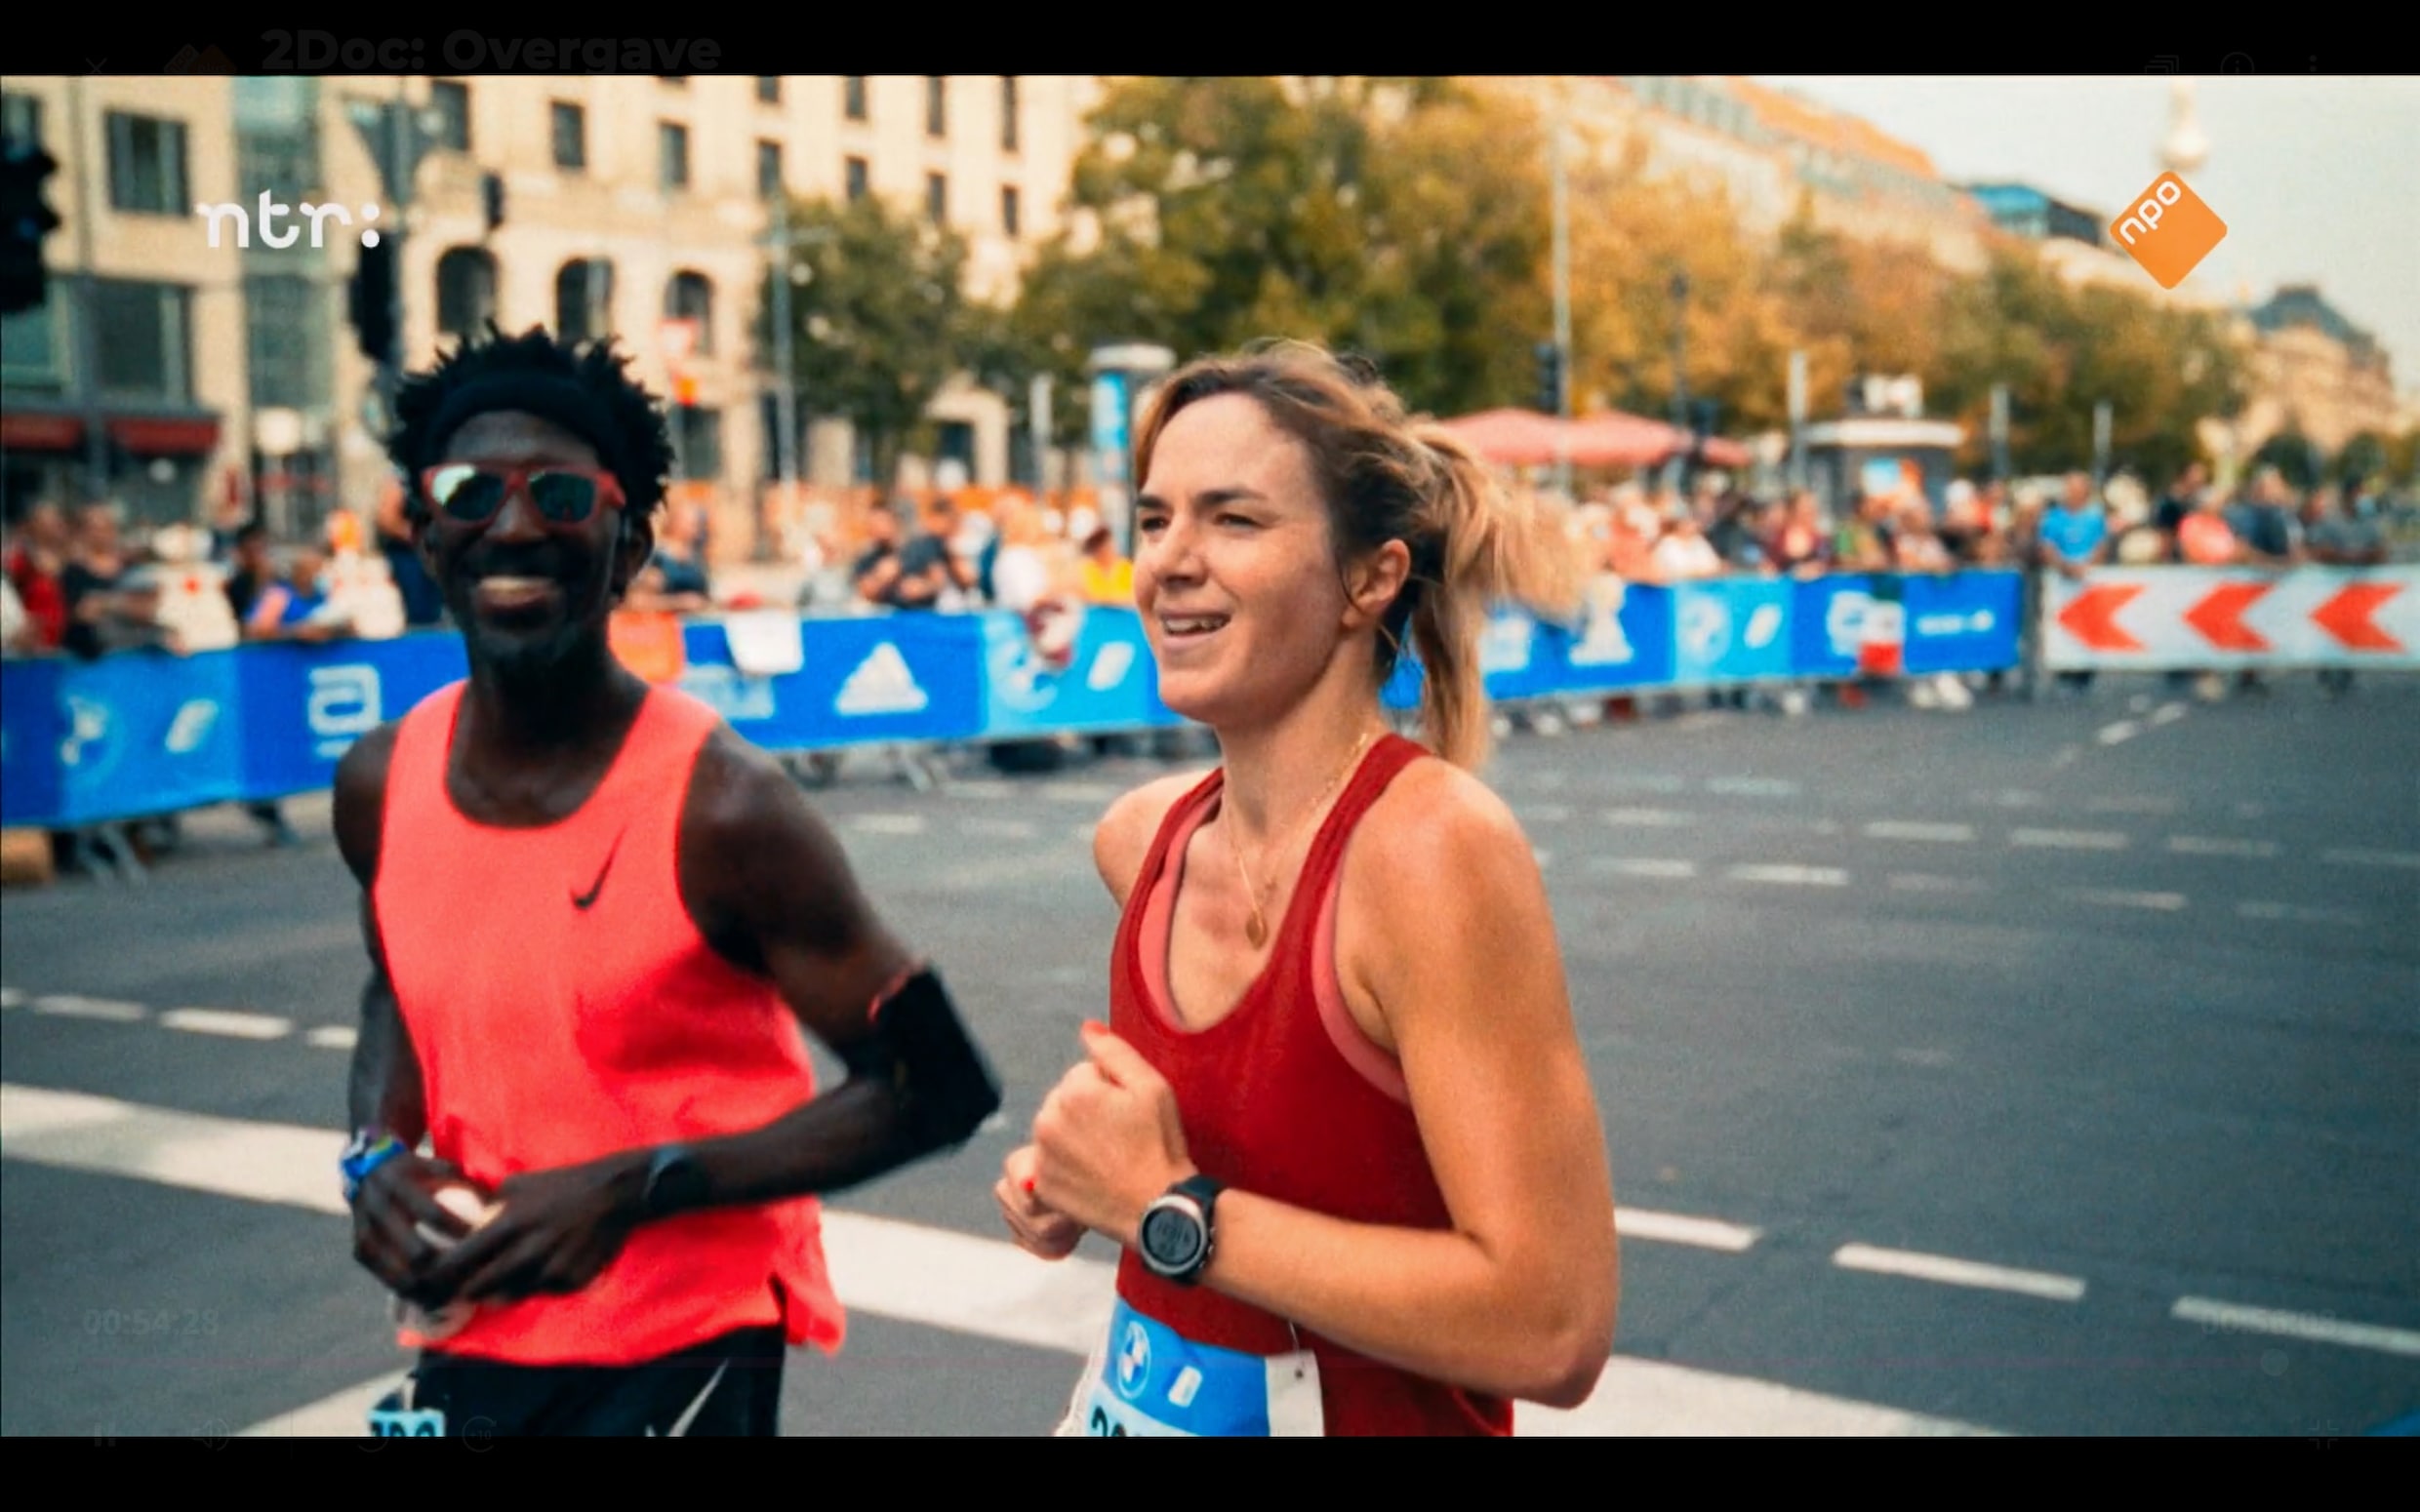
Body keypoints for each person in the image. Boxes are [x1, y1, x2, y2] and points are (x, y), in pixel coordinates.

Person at [336, 323, 1003, 1439]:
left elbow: (936, 1084)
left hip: (681, 1346)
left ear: (628, 543)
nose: (511, 524)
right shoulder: (380, 782)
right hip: (471, 1329)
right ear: (425, 532)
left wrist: (637, 1183)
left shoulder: (725, 806)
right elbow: (392, 987)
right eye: (467, 491)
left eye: (558, 493)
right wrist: (375, 1156)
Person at [995, 340, 1617, 1437]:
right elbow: (1255, 1144)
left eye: (1233, 520)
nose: (1168, 563)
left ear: (1368, 577)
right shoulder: (1140, 840)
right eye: (1153, 519)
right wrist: (1086, 1180)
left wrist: (1164, 1209)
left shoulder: (1428, 851)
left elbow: (1552, 1324)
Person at [2036, 472, 2110, 696]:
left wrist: (2087, 565)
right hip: (2061, 578)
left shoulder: (2095, 517)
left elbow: (2101, 545)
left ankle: (2085, 673)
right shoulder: (2053, 518)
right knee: (2061, 623)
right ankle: (2064, 672)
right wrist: (2065, 566)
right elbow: (2047, 547)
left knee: (2088, 624)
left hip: (2087, 579)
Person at [4, 500, 72, 652]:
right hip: (36, 643)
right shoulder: (20, 560)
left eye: (55, 521)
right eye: (45, 522)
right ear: (33, 525)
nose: (52, 527)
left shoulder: (73, 557)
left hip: (71, 638)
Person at [1077, 526, 1135, 606]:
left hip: (1124, 615)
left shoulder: (1126, 567)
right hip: (1096, 615)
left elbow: (1134, 597)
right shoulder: (1087, 568)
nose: (1107, 549)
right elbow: (1082, 595)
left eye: (1109, 544)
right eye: (1101, 547)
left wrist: (1107, 599)